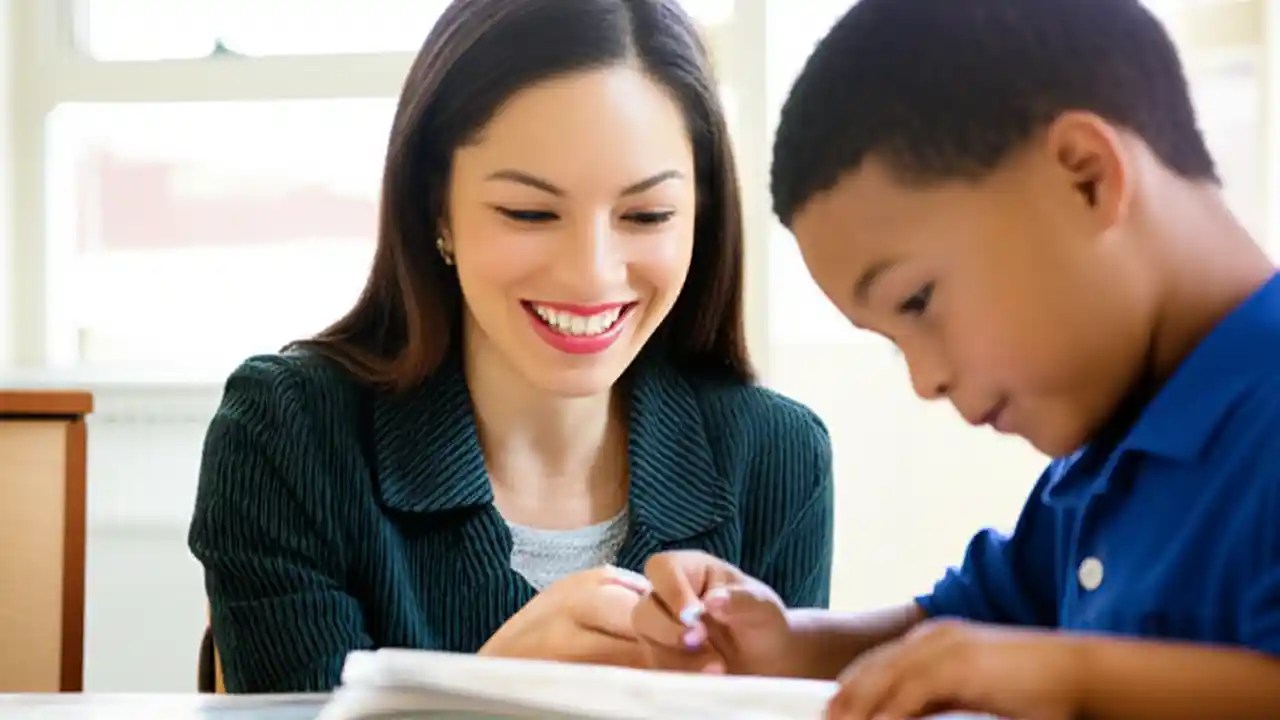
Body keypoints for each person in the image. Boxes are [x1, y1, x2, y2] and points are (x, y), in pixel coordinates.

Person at [631, 0, 1280, 718]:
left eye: (917, 302)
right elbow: (951, 637)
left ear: (1085, 177)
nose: (926, 380)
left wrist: (1072, 679)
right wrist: (786, 644)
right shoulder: (1103, 459)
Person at [188, 0, 834, 694]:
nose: (591, 274)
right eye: (529, 212)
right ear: (437, 206)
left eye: (647, 215)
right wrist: (491, 686)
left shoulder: (777, 458)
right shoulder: (291, 435)